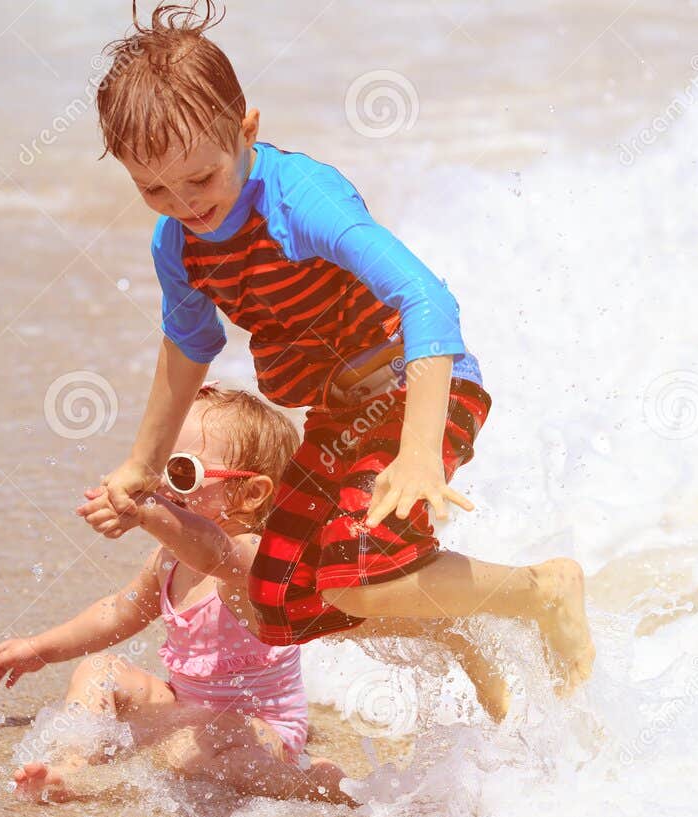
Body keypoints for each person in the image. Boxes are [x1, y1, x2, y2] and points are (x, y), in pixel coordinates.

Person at [76, 2, 594, 721]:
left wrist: (418, 457)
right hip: (344, 414)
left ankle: (543, 590)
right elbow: (190, 345)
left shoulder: (302, 200)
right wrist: (141, 464)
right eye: (154, 188)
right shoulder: (180, 246)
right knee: (278, 602)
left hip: (424, 391)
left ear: (246, 130)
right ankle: (456, 628)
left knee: (359, 573)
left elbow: (427, 300)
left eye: (201, 178)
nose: (183, 203)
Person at [0, 385, 348, 803]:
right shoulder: (168, 560)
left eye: (183, 472)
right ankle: (72, 765)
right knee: (101, 669)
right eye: (158, 468)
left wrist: (148, 512)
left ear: (250, 494)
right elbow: (117, 612)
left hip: (257, 728)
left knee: (211, 744)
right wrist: (40, 649)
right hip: (185, 708)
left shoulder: (253, 556)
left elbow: (215, 553)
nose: (160, 486)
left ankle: (315, 783)